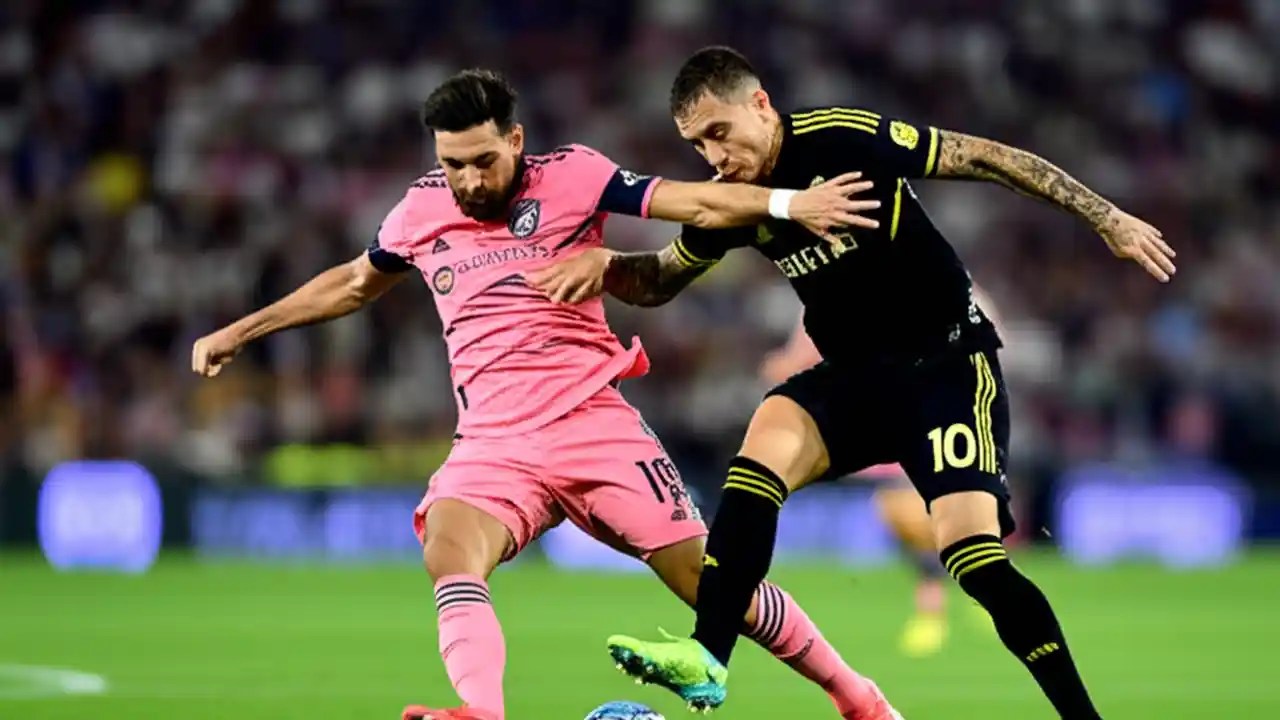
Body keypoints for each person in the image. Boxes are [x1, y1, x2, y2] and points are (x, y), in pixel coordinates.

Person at [190, 68, 902, 720]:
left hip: (593, 423)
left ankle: (858, 698)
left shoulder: (575, 177)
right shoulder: (417, 214)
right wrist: (242, 331)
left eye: (482, 160)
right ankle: (482, 713)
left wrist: (787, 202)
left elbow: (695, 201)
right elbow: (351, 283)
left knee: (708, 581)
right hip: (493, 443)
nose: (468, 180)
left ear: (516, 140)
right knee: (450, 547)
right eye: (452, 164)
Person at [530, 46, 1175, 718]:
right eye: (697, 145)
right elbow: (662, 279)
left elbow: (984, 157)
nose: (713, 157)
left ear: (760, 104)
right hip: (854, 380)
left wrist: (1107, 217)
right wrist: (604, 265)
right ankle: (708, 658)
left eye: (719, 133)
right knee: (762, 447)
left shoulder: (839, 138)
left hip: (945, 368)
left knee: (975, 560)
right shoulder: (744, 202)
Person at [760, 283, 1006, 659]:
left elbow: (991, 335)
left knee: (930, 513)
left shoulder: (943, 279)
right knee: (911, 515)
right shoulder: (835, 292)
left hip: (946, 414)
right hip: (893, 416)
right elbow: (804, 353)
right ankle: (965, 598)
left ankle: (965, 600)